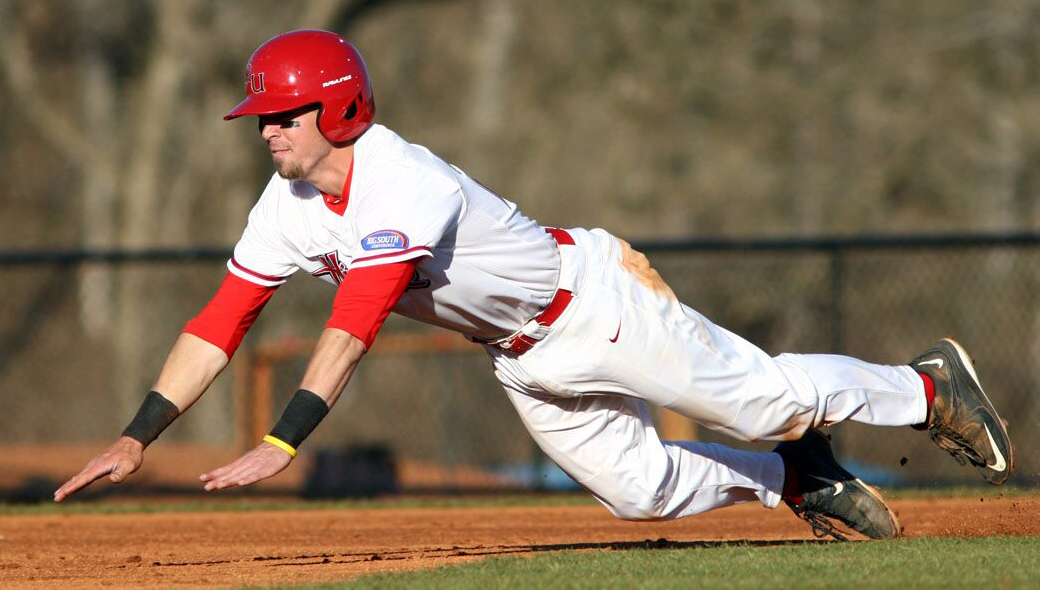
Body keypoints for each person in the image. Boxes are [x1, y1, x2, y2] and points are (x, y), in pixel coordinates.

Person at [54, 30, 1014, 540]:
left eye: (282, 114)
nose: (267, 130)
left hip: (591, 304)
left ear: (338, 107)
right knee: (641, 496)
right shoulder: (288, 200)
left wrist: (278, 440)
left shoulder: (401, 179)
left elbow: (352, 326)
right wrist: (138, 438)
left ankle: (928, 387)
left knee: (763, 398)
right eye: (261, 117)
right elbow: (220, 322)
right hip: (522, 356)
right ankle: (796, 478)